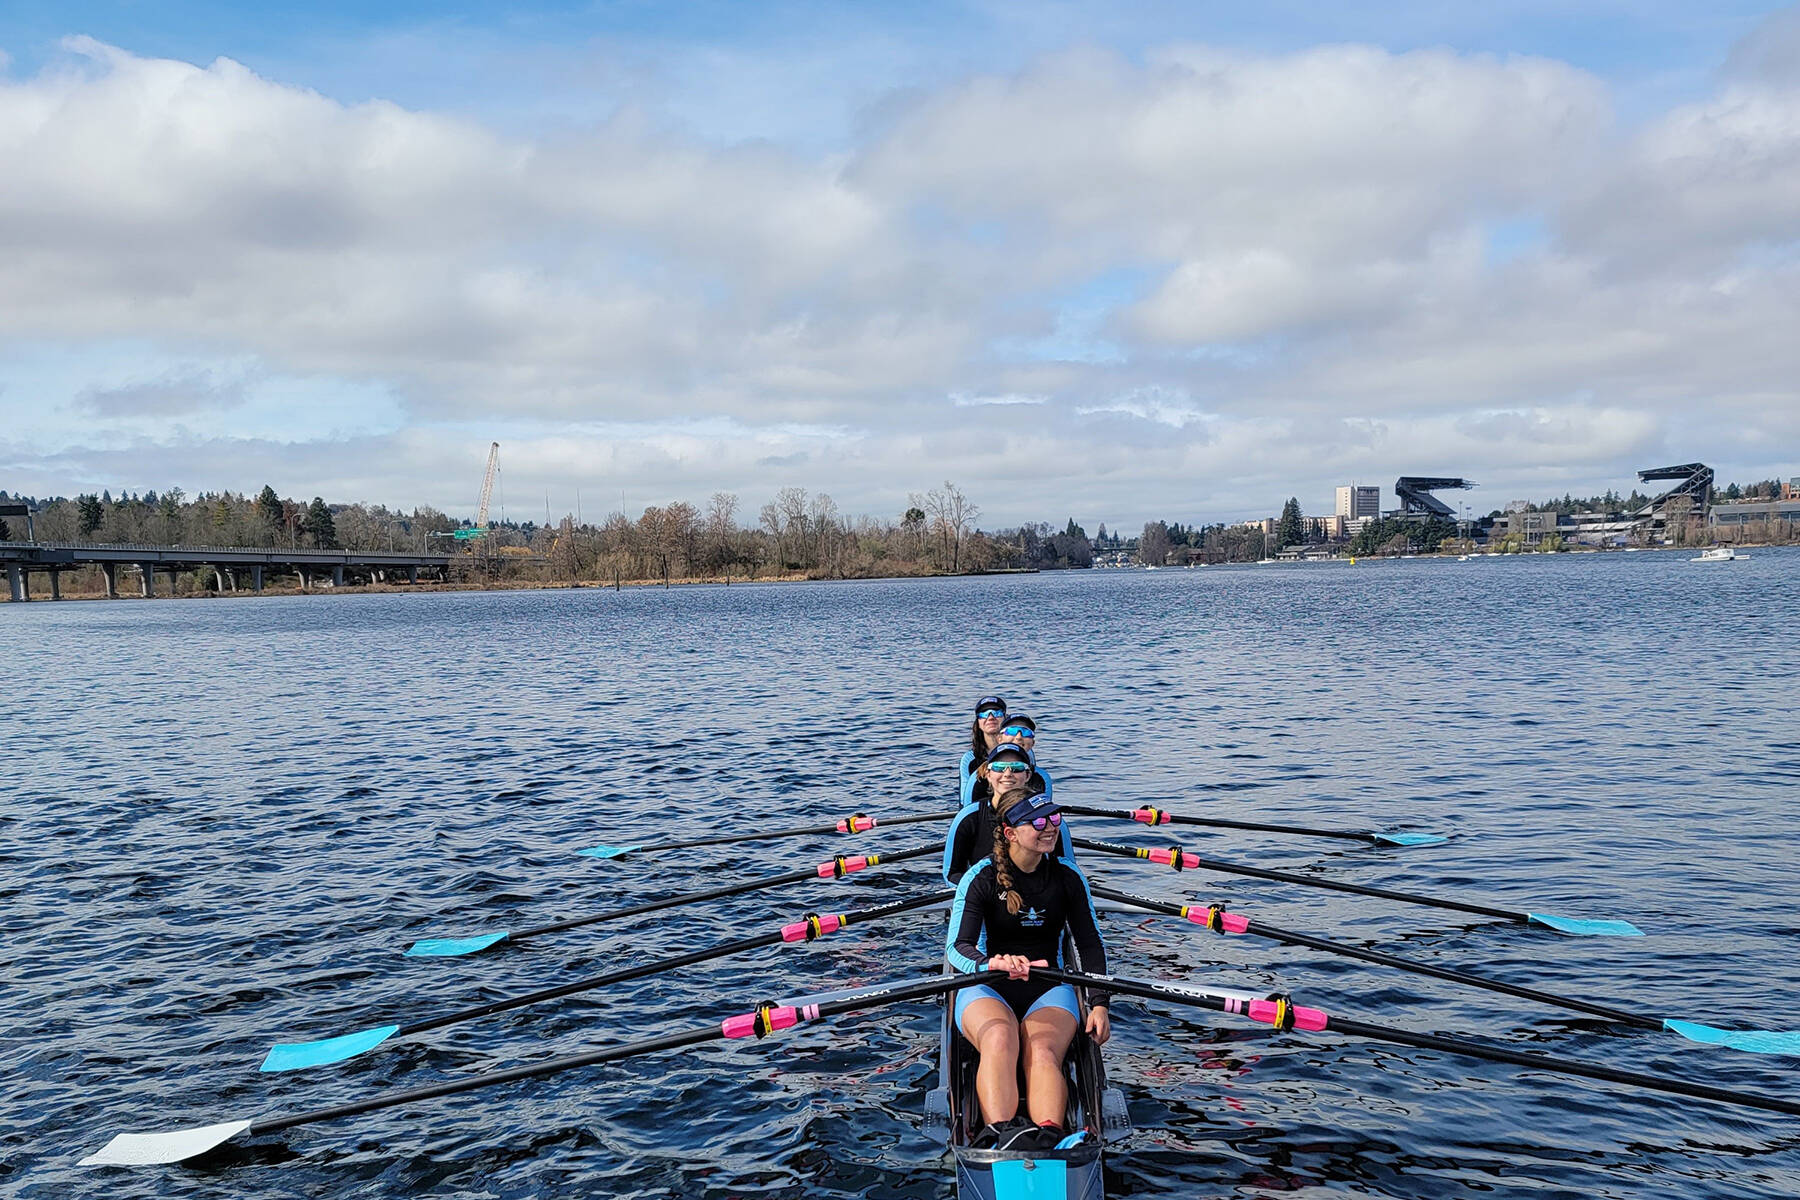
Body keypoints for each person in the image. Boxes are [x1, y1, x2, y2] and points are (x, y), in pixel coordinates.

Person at [947, 790, 1111, 1150]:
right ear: (1010, 832)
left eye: (1054, 818)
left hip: (1048, 986)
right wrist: (991, 962)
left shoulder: (1068, 876)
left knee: (1041, 1049)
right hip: (987, 984)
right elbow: (957, 948)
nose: (1050, 827)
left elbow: (1090, 944)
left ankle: (1051, 1135)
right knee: (1000, 1039)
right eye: (1037, 822)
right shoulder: (980, 877)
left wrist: (1099, 1002)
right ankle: (1000, 1134)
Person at [943, 742, 1072, 884]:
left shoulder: (1053, 821)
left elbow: (1068, 869)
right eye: (999, 768)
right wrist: (981, 892)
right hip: (983, 894)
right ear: (988, 774)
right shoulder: (968, 817)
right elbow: (952, 874)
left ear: (1028, 775)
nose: (1008, 774)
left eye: (1017, 768)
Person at [958, 695, 1008, 805]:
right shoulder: (969, 759)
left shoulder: (1024, 753)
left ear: (1005, 718)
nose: (990, 717)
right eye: (984, 714)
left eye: (997, 713)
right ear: (978, 723)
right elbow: (964, 799)